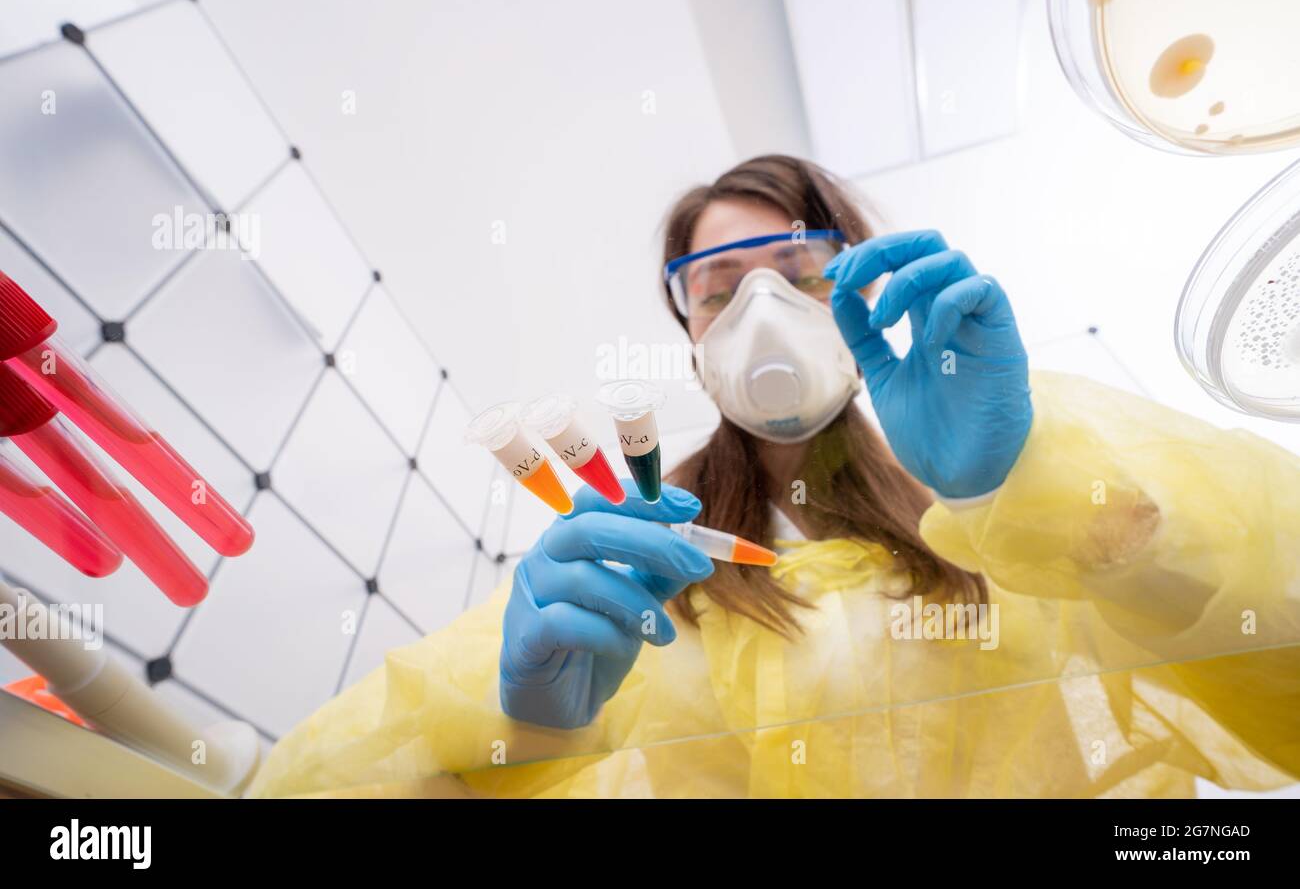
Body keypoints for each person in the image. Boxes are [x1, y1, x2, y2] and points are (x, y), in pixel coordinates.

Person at [251, 155, 1300, 798]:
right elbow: (371, 783)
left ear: (860, 289)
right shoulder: (639, 556)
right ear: (690, 335)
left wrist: (1025, 492)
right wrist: (533, 735)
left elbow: (1270, 681)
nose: (759, 310)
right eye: (717, 289)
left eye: (798, 273)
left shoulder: (996, 519)